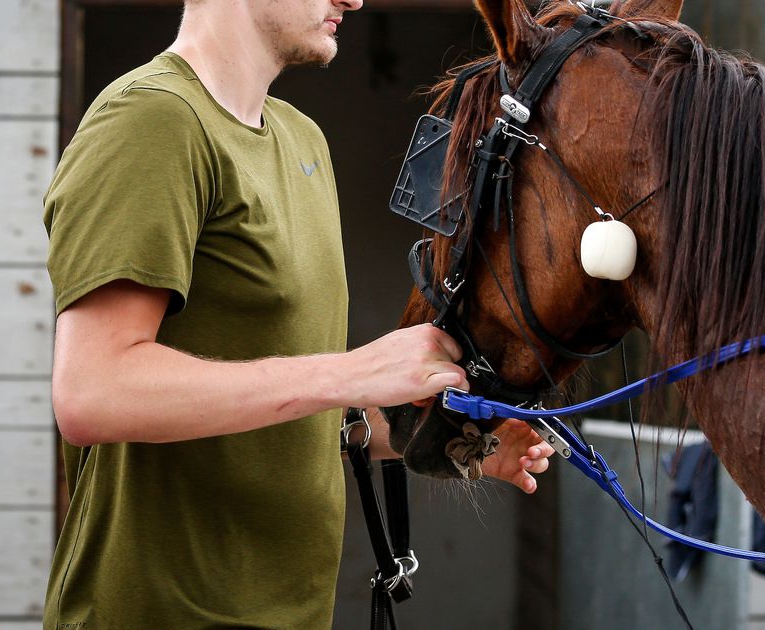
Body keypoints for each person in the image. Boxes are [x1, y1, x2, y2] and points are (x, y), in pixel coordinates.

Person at [41, 0, 554, 627]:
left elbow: (280, 411)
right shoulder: (151, 121)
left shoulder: (301, 138)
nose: (353, 1)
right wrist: (354, 372)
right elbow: (94, 392)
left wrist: (438, 434)